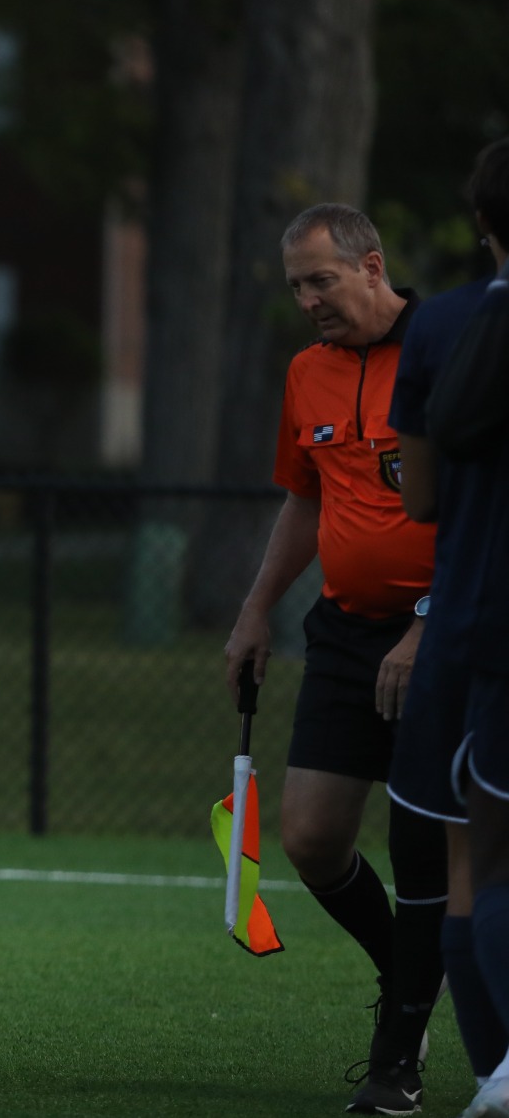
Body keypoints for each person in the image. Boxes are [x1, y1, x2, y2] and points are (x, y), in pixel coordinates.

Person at [220, 203, 447, 1115]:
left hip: (444, 632)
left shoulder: (443, 353)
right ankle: (413, 981)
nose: (308, 299)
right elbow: (305, 501)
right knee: (311, 838)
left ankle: (397, 1059)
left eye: (321, 279)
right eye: (295, 286)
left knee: (425, 849)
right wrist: (254, 611)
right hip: (346, 635)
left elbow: (482, 508)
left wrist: (428, 625)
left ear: (372, 265)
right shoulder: (305, 374)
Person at [389, 140, 509, 1115]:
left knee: (471, 863)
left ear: (481, 222)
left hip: (463, 622)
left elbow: (418, 499)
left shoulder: (435, 326)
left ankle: (491, 1074)